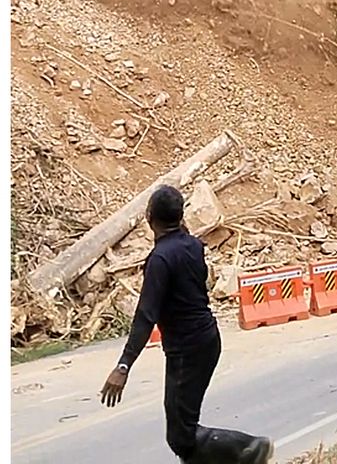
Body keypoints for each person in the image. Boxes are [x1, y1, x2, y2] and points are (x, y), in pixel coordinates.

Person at [100, 184, 273, 464]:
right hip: (207, 339)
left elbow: (146, 316)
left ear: (148, 217)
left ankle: (249, 447)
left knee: (181, 435)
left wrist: (123, 366)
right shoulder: (193, 246)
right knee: (185, 429)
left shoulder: (160, 260)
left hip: (187, 349)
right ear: (181, 217)